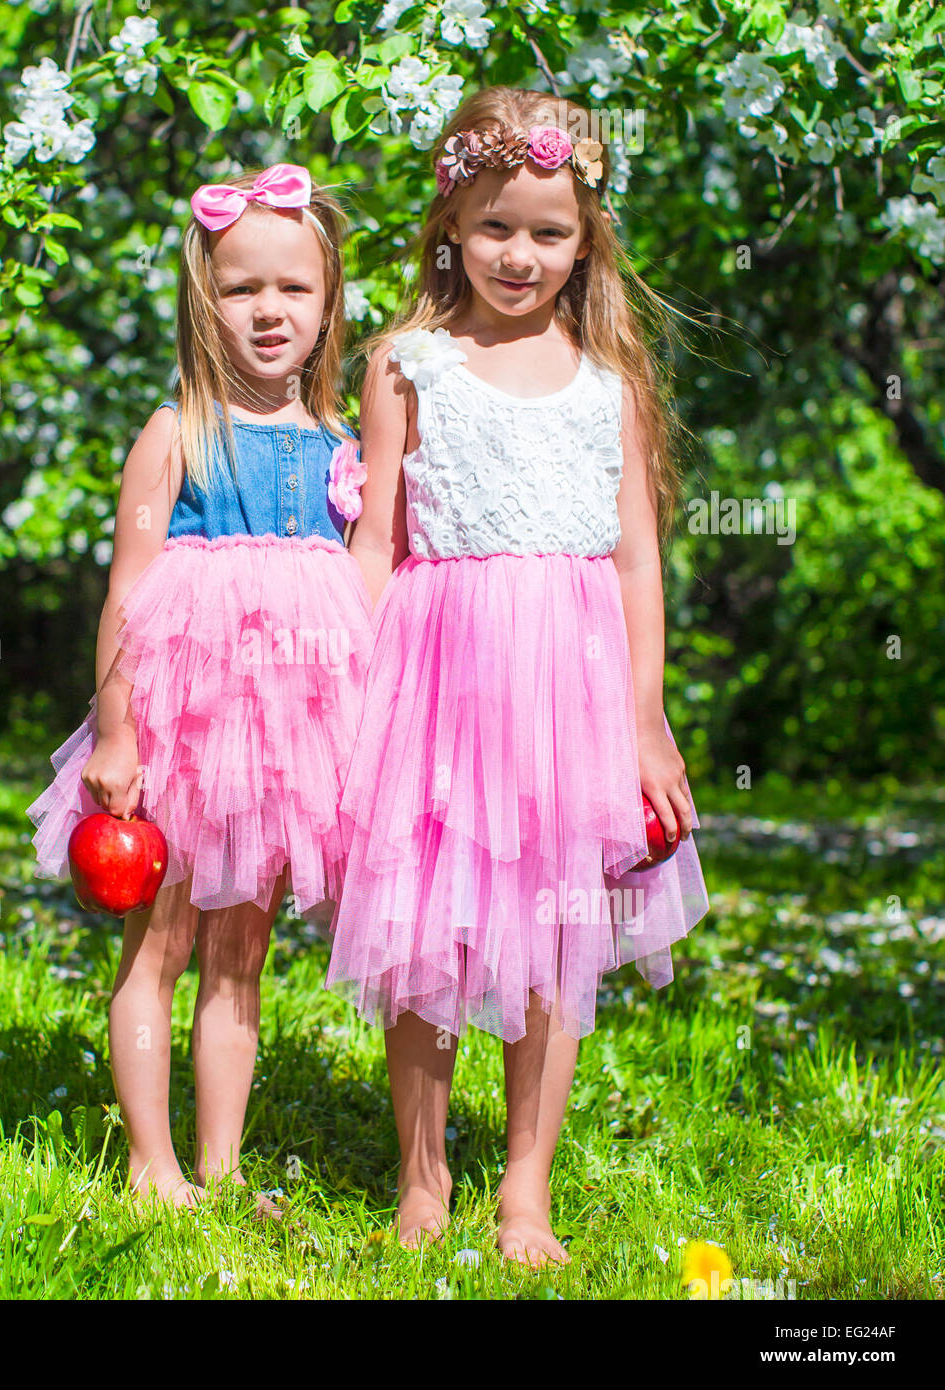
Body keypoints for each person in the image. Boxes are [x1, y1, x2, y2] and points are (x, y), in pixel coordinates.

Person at [324, 89, 710, 1265]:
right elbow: (378, 542)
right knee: (424, 930)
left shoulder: (610, 383)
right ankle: (424, 1173)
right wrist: (343, 693)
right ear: (450, 223)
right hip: (435, 679)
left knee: (553, 940)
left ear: (585, 238)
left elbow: (637, 560)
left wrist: (644, 724)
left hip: (570, 692)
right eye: (494, 226)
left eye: (547, 231)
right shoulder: (409, 364)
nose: (519, 254)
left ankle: (525, 1190)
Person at [28, 163, 373, 1212]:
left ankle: (219, 1166)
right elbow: (130, 590)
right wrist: (117, 733)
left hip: (281, 747)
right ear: (202, 298)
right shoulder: (174, 434)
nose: (268, 310)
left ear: (328, 303)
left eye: (293, 289)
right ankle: (150, 1162)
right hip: (181, 723)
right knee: (162, 940)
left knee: (241, 955)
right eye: (240, 289)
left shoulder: (341, 447)